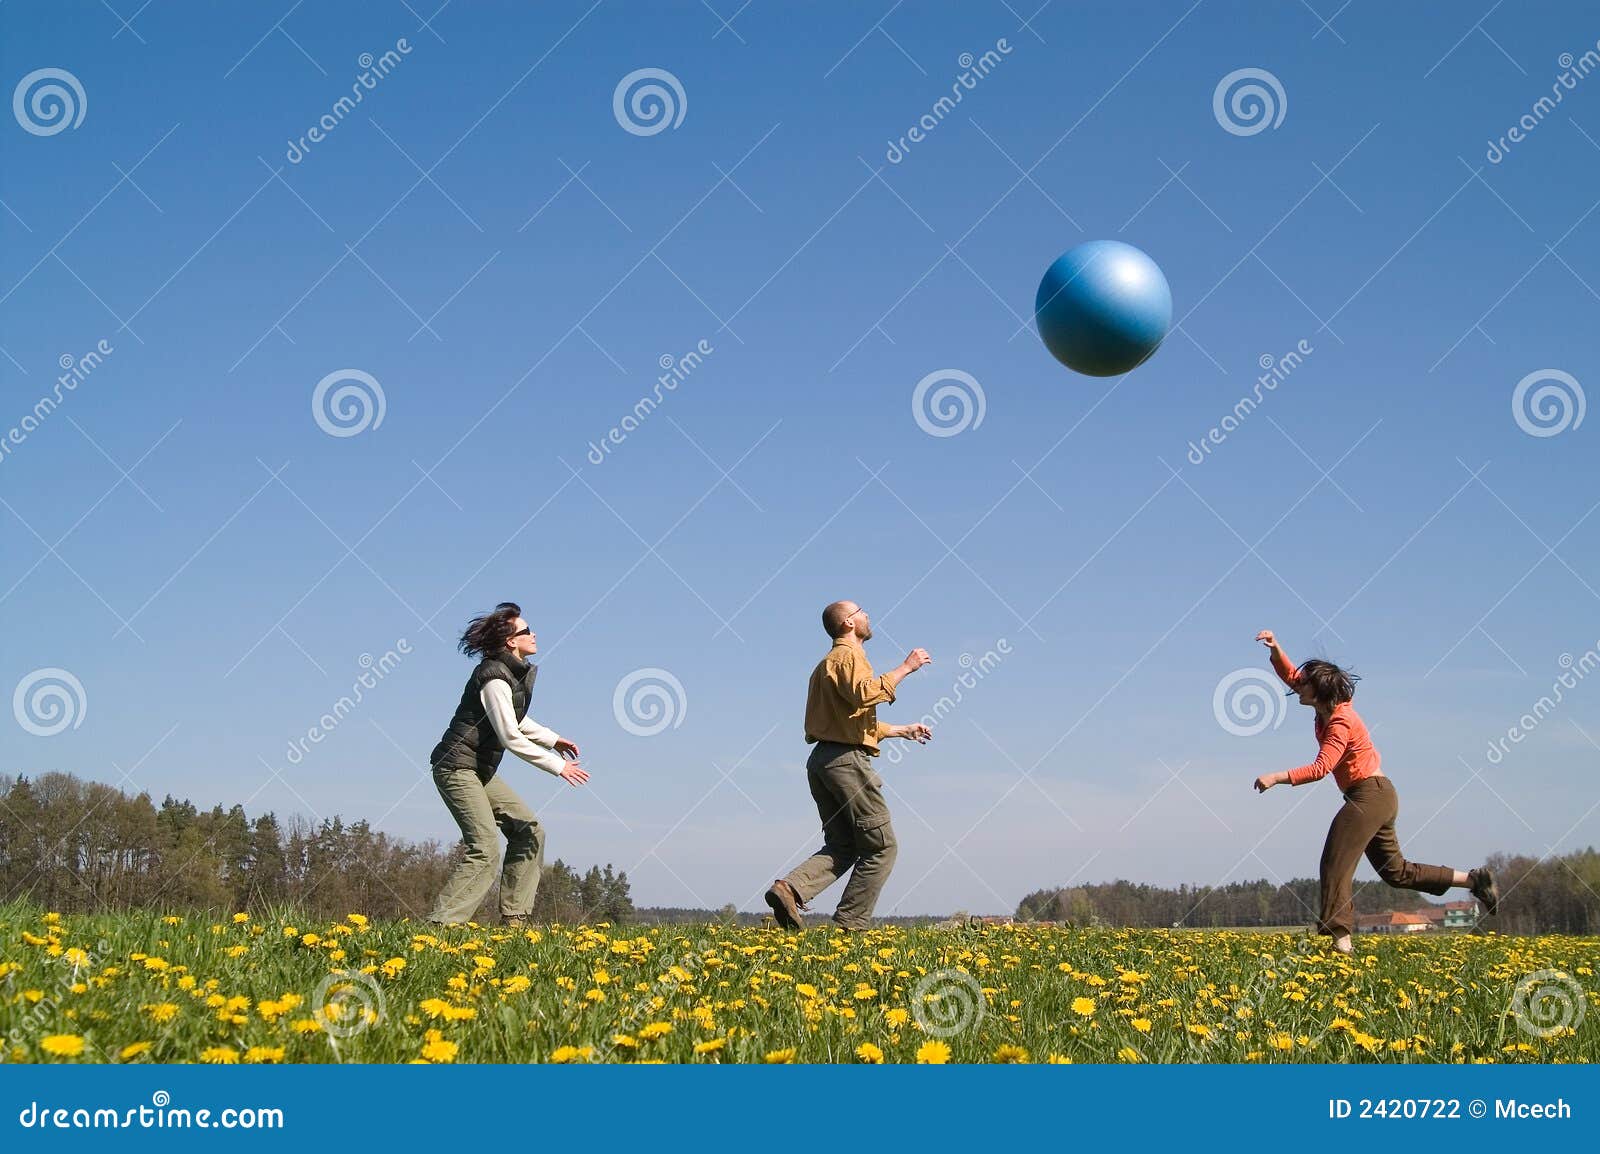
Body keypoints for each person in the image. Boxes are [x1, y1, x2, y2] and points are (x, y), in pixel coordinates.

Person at [1250, 629, 1499, 953]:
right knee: (1396, 872)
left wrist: (1277, 777)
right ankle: (1474, 880)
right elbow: (1292, 673)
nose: (1297, 684)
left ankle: (1342, 943)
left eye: (1304, 682)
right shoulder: (1325, 708)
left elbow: (1320, 768)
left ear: (1320, 690)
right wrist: (1275, 649)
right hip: (1377, 794)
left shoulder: (1340, 721)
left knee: (1334, 862)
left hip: (1370, 795)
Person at [765, 601, 932, 931]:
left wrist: (900, 730)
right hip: (846, 764)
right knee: (882, 847)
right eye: (861, 612)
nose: (868, 615)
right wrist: (906, 668)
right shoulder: (848, 656)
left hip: (823, 762)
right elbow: (862, 695)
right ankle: (849, 925)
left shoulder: (825, 666)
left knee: (843, 845)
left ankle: (790, 889)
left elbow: (847, 721)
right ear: (848, 625)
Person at [425, 602, 589, 927]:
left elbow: (517, 721)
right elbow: (511, 736)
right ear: (512, 641)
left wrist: (553, 739)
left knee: (530, 832)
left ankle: (514, 923)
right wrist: (558, 766)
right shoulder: (494, 678)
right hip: (455, 767)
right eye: (527, 631)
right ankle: (440, 929)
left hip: (478, 770)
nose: (534, 634)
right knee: (485, 849)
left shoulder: (510, 676)